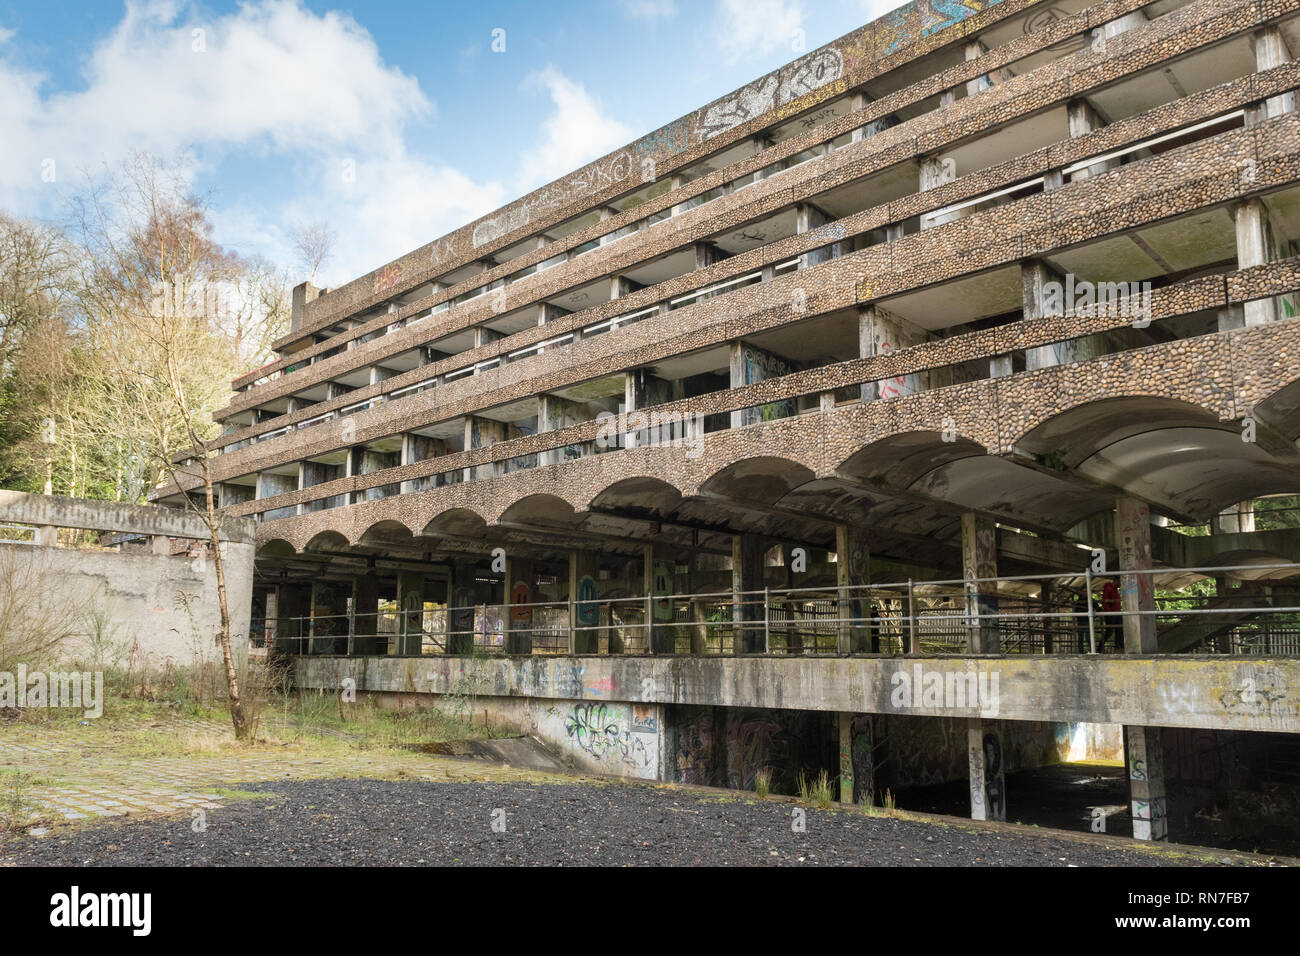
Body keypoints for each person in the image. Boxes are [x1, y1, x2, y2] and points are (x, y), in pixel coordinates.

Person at [1100, 579, 1122, 651]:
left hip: (1117, 612)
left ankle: (1118, 646)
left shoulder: (1115, 589)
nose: (1120, 584)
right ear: (1116, 581)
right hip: (1111, 613)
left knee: (1119, 629)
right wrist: (1108, 612)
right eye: (1120, 582)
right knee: (1109, 631)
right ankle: (1100, 648)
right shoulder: (1108, 588)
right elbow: (1104, 601)